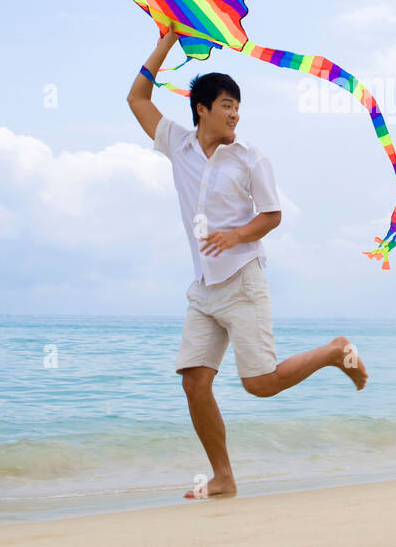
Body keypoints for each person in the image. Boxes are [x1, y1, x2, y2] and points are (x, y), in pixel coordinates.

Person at [127, 26, 368, 499]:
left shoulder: (251, 157)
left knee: (260, 384)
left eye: (238, 106)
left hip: (242, 281)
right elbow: (137, 97)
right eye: (226, 105)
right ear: (202, 109)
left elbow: (273, 215)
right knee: (195, 383)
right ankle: (223, 477)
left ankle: (335, 351)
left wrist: (236, 235)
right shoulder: (177, 143)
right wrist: (168, 41)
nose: (235, 113)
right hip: (203, 288)